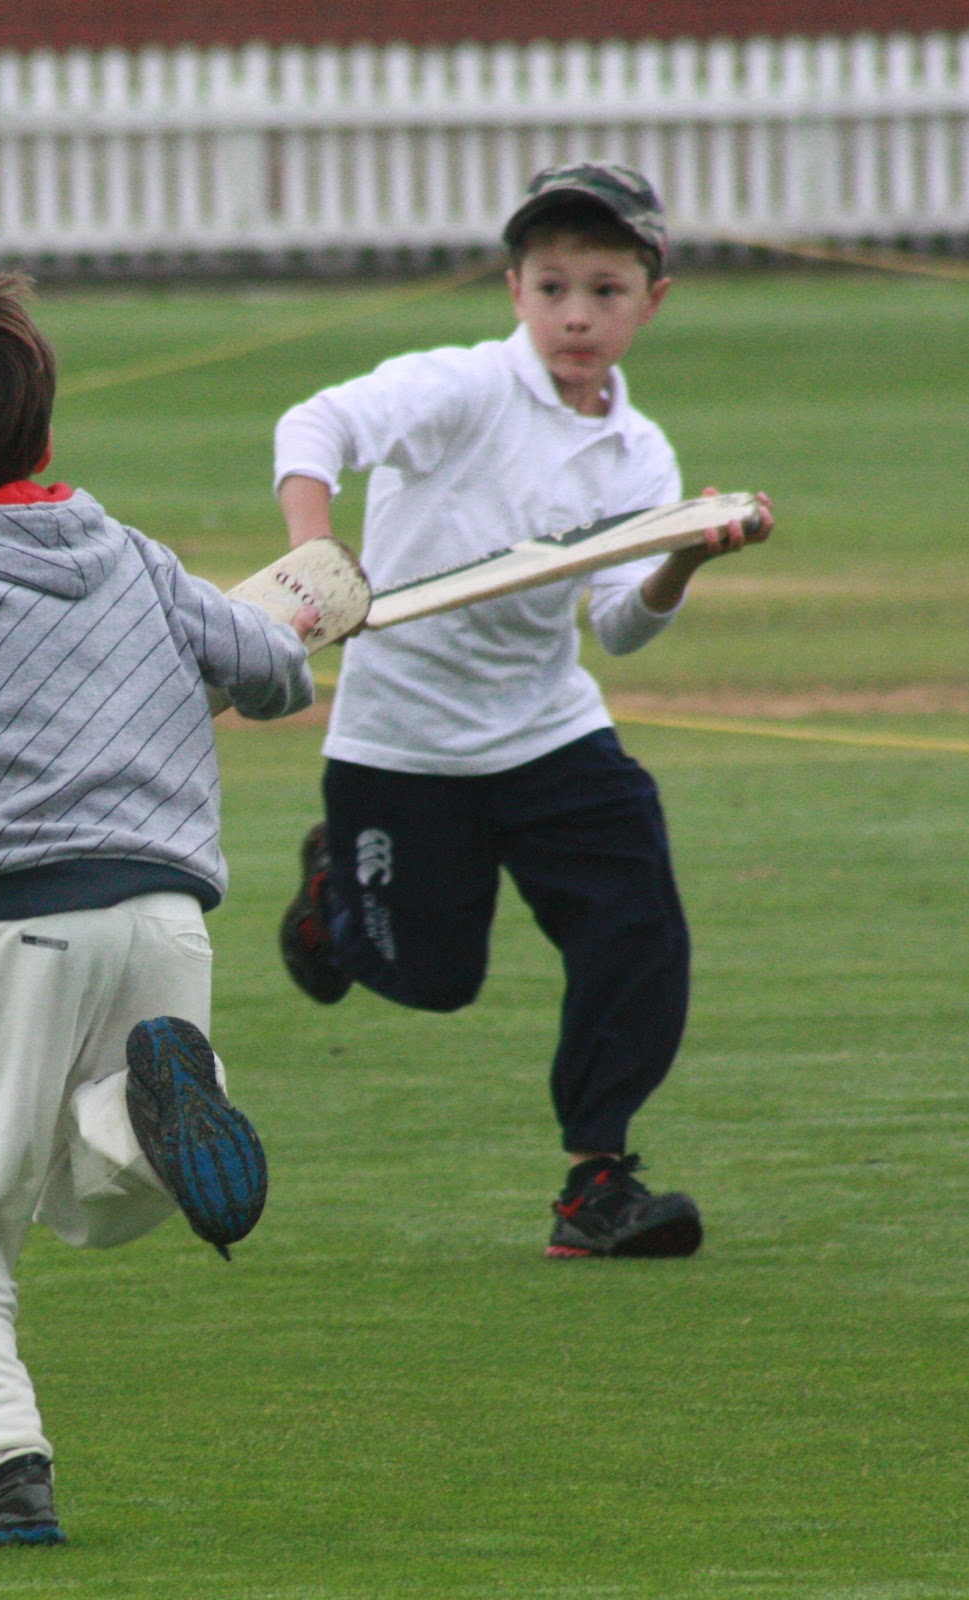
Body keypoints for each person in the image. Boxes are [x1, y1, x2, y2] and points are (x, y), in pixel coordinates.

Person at [0, 266, 318, 1547]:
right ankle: (159, 1116)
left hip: (20, 928)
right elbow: (273, 674)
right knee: (94, 1189)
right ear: (44, 436)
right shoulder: (133, 556)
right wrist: (268, 629)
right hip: (164, 922)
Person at [273, 163, 774, 1260]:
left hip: (548, 731)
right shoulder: (457, 389)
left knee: (633, 921)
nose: (576, 316)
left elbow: (616, 628)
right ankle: (332, 900)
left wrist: (679, 559)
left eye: (604, 288)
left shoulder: (637, 453)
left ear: (651, 298)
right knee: (433, 981)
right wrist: (315, 549)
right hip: (398, 744)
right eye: (551, 288)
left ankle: (595, 1182)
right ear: (512, 291)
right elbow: (312, 426)